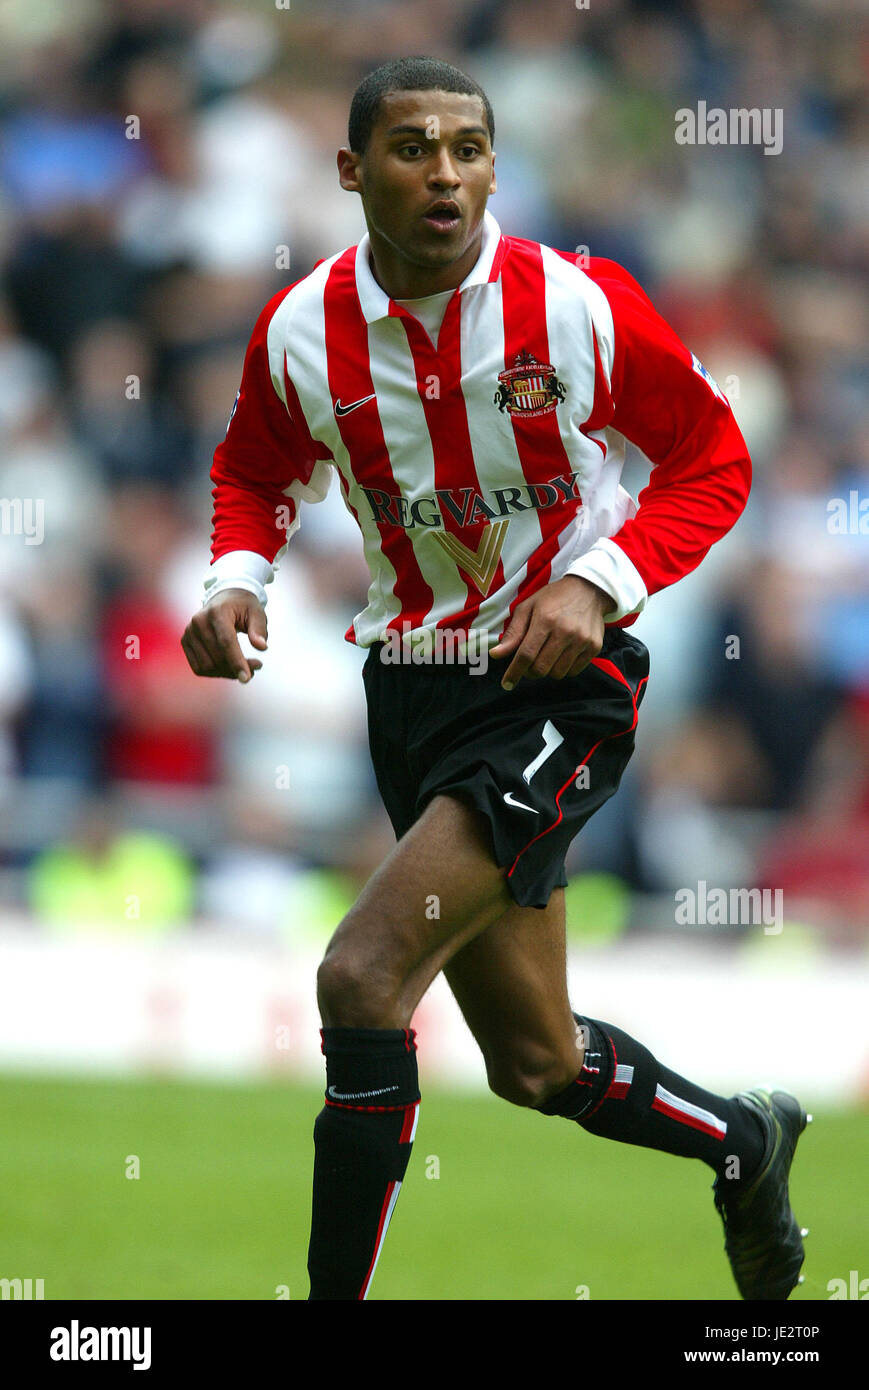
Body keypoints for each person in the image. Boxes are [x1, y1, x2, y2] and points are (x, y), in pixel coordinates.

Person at [181, 56, 809, 1302]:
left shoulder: (572, 305)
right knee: (535, 1064)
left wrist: (599, 584)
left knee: (361, 974)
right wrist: (231, 578)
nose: (447, 174)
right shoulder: (302, 328)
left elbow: (710, 460)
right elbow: (252, 470)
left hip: (557, 687)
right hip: (410, 687)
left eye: (468, 147)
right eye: (412, 149)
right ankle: (742, 1142)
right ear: (352, 172)